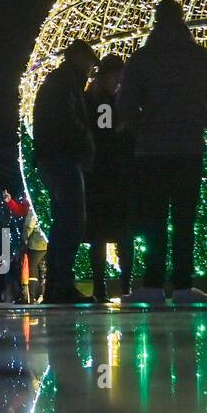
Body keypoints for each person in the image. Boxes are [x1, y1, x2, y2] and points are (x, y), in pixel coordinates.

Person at [116, 0, 207, 305]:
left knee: (153, 219)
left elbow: (124, 105)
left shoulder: (142, 58)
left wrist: (145, 127)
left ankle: (152, 284)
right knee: (184, 218)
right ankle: (182, 285)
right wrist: (194, 123)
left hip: (151, 151)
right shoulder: (200, 57)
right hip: (189, 149)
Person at [33, 39, 98, 302]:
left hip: (54, 159)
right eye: (90, 63)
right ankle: (61, 285)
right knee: (72, 221)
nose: (91, 69)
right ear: (80, 59)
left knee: (64, 221)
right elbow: (68, 122)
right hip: (63, 159)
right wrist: (86, 142)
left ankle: (57, 285)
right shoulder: (64, 84)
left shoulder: (60, 81)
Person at [84, 53, 135, 302]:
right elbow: (106, 133)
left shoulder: (95, 99)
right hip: (109, 177)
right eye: (117, 77)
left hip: (104, 176)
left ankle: (105, 286)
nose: (118, 83)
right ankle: (119, 286)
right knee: (116, 233)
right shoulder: (103, 103)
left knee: (103, 236)